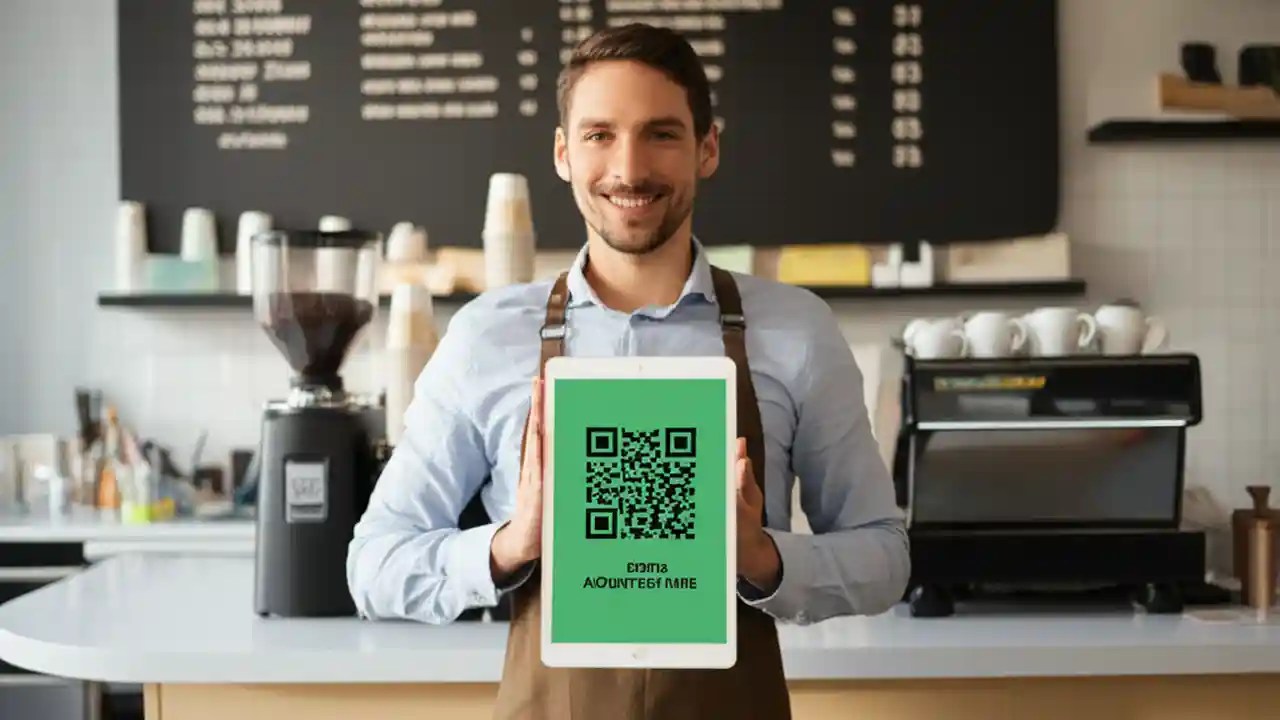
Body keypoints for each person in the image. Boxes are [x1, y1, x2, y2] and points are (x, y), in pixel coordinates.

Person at [347, 23, 909, 720]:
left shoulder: (796, 330)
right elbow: (374, 566)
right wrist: (509, 545)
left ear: (708, 148)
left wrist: (764, 558)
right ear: (563, 153)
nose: (629, 168)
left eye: (662, 134)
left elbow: (884, 556)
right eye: (599, 134)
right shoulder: (485, 336)